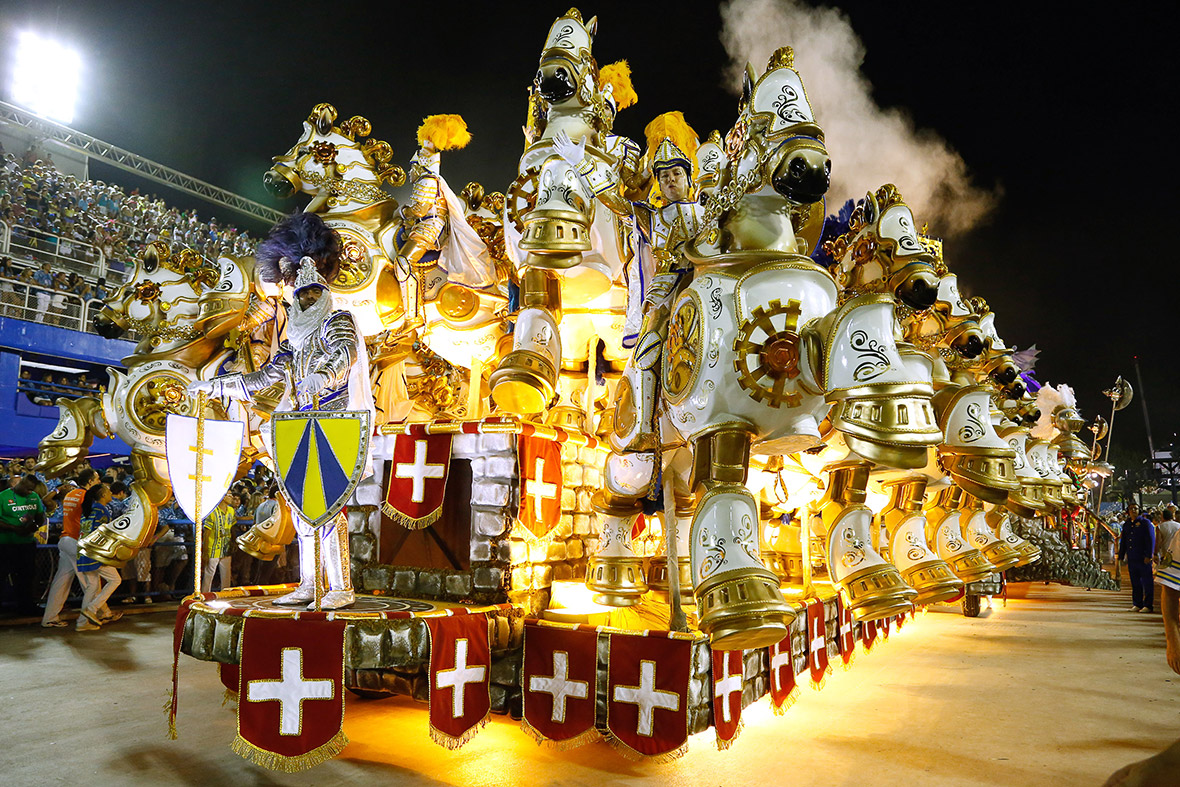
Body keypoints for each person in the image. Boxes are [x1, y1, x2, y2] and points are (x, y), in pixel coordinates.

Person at [41, 468, 99, 627]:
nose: (99, 482)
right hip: (76, 542)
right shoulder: (86, 496)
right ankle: (91, 616)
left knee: (61, 582)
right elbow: (89, 520)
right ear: (90, 482)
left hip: (65, 540)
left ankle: (49, 618)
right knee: (91, 582)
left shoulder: (70, 495)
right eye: (97, 479)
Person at [75, 483, 121, 630]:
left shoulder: (89, 510)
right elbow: (101, 534)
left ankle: (82, 623)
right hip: (95, 552)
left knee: (92, 586)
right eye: (108, 491)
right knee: (115, 579)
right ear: (102, 495)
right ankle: (92, 609)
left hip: (83, 551)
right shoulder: (102, 511)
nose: (110, 493)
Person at [0, 474, 46, 617]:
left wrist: (35, 526)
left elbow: (40, 516)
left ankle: (26, 607)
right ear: (20, 484)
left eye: (31, 490)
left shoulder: (34, 497)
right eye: (27, 489)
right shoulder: (2, 496)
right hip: (6, 544)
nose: (29, 492)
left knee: (27, 576)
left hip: (26, 544)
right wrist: (14, 529)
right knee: (2, 575)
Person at [1118, 504, 1156, 613]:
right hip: (1132, 557)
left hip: (1143, 557)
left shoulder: (1145, 523)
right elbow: (1124, 541)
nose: (1133, 510)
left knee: (1147, 581)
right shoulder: (1127, 524)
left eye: (1135, 508)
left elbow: (1150, 539)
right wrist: (1121, 555)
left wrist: (1149, 555)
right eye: (1131, 509)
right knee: (1135, 582)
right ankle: (1137, 603)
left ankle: (1148, 605)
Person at [201, 491, 237, 593]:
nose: (231, 497)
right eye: (228, 495)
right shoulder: (212, 512)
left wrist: (233, 542)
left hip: (226, 546)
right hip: (213, 547)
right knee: (209, 573)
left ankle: (225, 596)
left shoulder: (231, 510)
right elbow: (207, 532)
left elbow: (232, 527)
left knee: (226, 574)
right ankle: (205, 596)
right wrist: (205, 550)